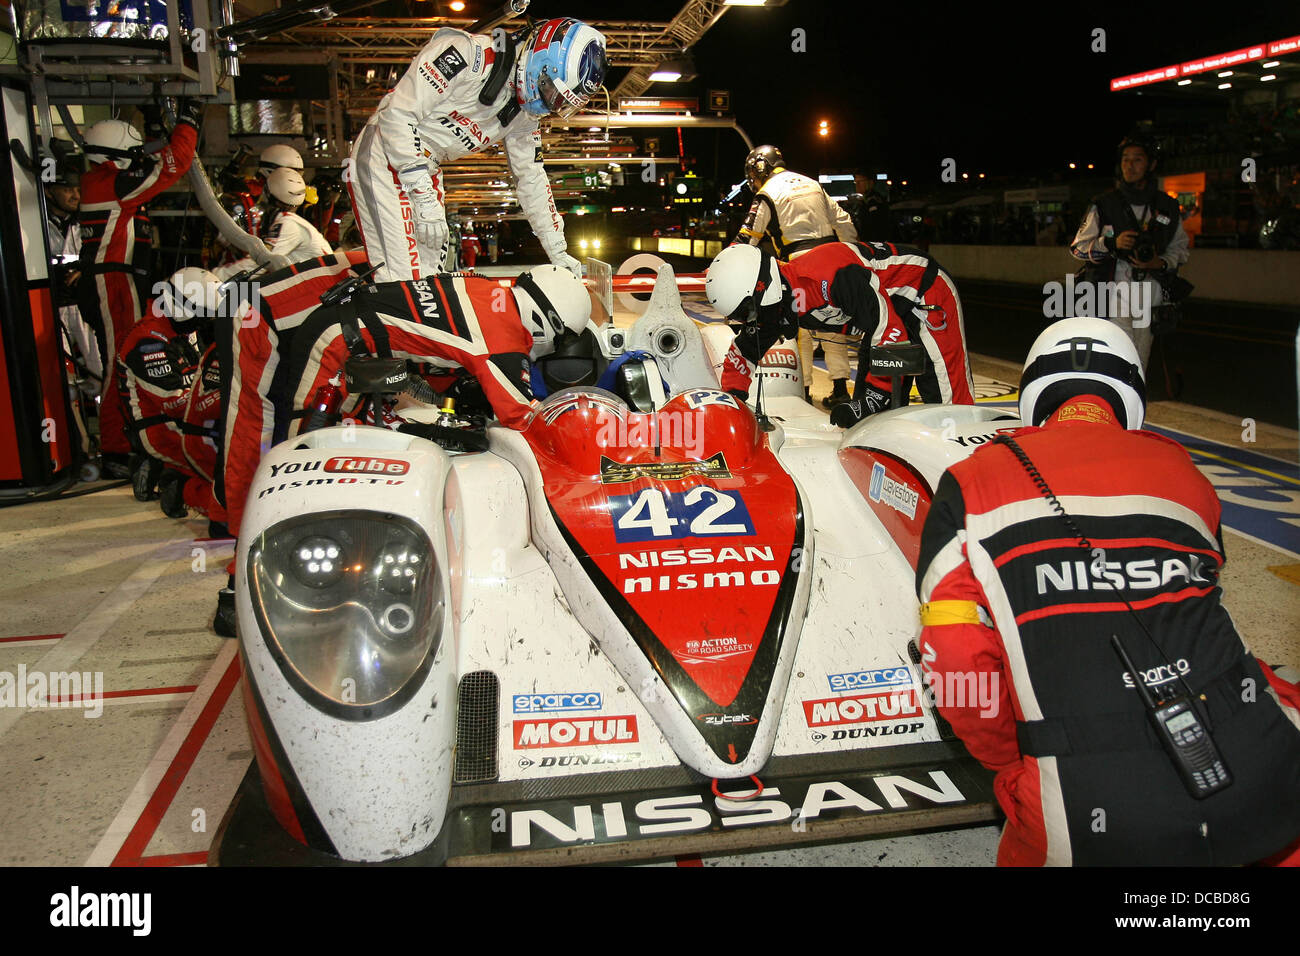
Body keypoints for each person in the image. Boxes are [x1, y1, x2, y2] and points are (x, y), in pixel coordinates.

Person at [914, 316, 1300, 866]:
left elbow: (954, 659)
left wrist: (1010, 761)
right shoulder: (1186, 473)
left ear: (1033, 395)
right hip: (1268, 781)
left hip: (1083, 812)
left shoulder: (971, 480)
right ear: (1130, 398)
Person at [348, 17, 606, 282]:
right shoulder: (465, 54)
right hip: (385, 152)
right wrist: (423, 195)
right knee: (403, 282)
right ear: (541, 62)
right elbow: (398, 116)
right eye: (552, 92)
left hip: (425, 168)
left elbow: (532, 181)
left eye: (561, 102)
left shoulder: (524, 115)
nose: (549, 106)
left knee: (427, 282)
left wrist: (558, 251)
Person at [282, 264, 591, 434]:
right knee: (307, 440)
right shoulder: (503, 337)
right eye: (562, 338)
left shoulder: (486, 288)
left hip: (349, 334)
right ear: (548, 321)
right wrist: (580, 428)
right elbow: (524, 418)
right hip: (338, 341)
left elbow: (442, 357)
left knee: (345, 435)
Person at [706, 240, 974, 423]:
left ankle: (967, 476)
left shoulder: (833, 275)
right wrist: (733, 401)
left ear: (761, 288)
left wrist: (870, 400)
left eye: (746, 312)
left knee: (947, 406)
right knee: (871, 422)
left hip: (925, 293)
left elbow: (890, 331)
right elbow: (746, 350)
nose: (748, 320)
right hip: (884, 317)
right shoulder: (774, 301)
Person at [77, 101, 202, 475]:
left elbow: (149, 164)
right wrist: (187, 123)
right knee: (124, 359)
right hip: (113, 280)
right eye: (132, 154)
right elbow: (170, 165)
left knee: (126, 355)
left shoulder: (107, 180)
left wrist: (153, 127)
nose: (138, 159)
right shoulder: (110, 182)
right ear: (117, 156)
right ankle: (117, 451)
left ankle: (127, 441)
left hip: (122, 279)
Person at [736, 145, 859, 407]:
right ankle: (840, 390)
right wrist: (851, 256)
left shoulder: (766, 192)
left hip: (799, 266)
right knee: (834, 324)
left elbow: (748, 236)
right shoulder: (814, 184)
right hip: (834, 261)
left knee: (799, 328)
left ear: (760, 167)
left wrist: (728, 264)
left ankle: (802, 390)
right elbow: (845, 222)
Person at [1070, 136, 1190, 372]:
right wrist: (1111, 244)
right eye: (1125, 160)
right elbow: (1077, 248)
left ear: (1151, 165)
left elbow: (1181, 249)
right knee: (1117, 359)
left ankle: (1134, 407)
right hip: (1112, 295)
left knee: (1139, 365)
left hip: (1151, 296)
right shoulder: (1104, 203)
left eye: (1137, 160)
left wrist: (1161, 262)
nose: (1130, 166)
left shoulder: (1167, 206)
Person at [116, 267, 225, 526]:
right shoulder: (148, 340)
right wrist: (225, 399)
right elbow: (175, 403)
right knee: (230, 480)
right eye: (203, 316)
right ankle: (181, 486)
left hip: (190, 420)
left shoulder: (184, 328)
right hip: (162, 427)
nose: (206, 323)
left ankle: (166, 470)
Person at [214, 167, 332, 279]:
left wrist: (216, 276)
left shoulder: (288, 223)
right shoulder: (292, 221)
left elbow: (261, 262)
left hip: (318, 289)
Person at [840, 169, 894, 243]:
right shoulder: (862, 201)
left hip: (874, 244)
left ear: (871, 183)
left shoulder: (875, 201)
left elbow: (875, 227)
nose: (857, 185)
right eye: (855, 182)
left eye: (860, 182)